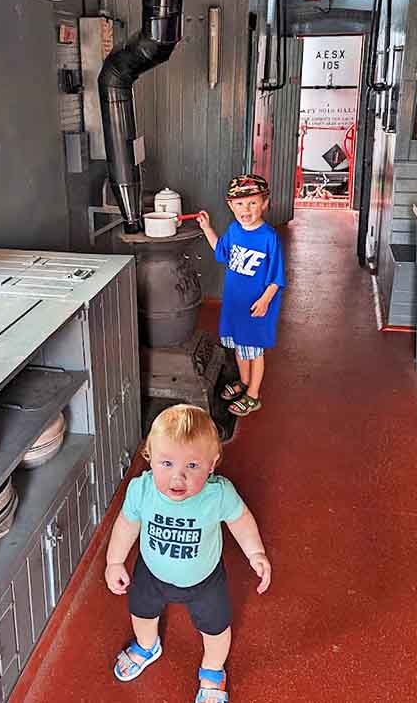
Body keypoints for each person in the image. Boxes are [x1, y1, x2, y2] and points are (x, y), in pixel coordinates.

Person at [105, 404, 271, 703]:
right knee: (141, 612)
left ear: (212, 464)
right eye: (166, 463)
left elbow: (240, 519)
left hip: (205, 580)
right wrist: (114, 561)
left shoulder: (218, 494)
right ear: (150, 458)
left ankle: (212, 669)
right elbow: (127, 524)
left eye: (192, 466)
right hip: (151, 573)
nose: (178, 478)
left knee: (217, 628)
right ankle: (147, 645)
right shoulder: (141, 490)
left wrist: (255, 552)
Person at [197, 173, 286, 416]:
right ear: (230, 205)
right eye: (239, 204)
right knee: (238, 345)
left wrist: (265, 301)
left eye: (253, 203)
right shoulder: (234, 230)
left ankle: (253, 395)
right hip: (235, 304)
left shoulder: (269, 238)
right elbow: (221, 252)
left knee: (254, 350)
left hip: (257, 306)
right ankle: (244, 383)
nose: (246, 209)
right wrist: (207, 229)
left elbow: (277, 278)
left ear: (264, 203)